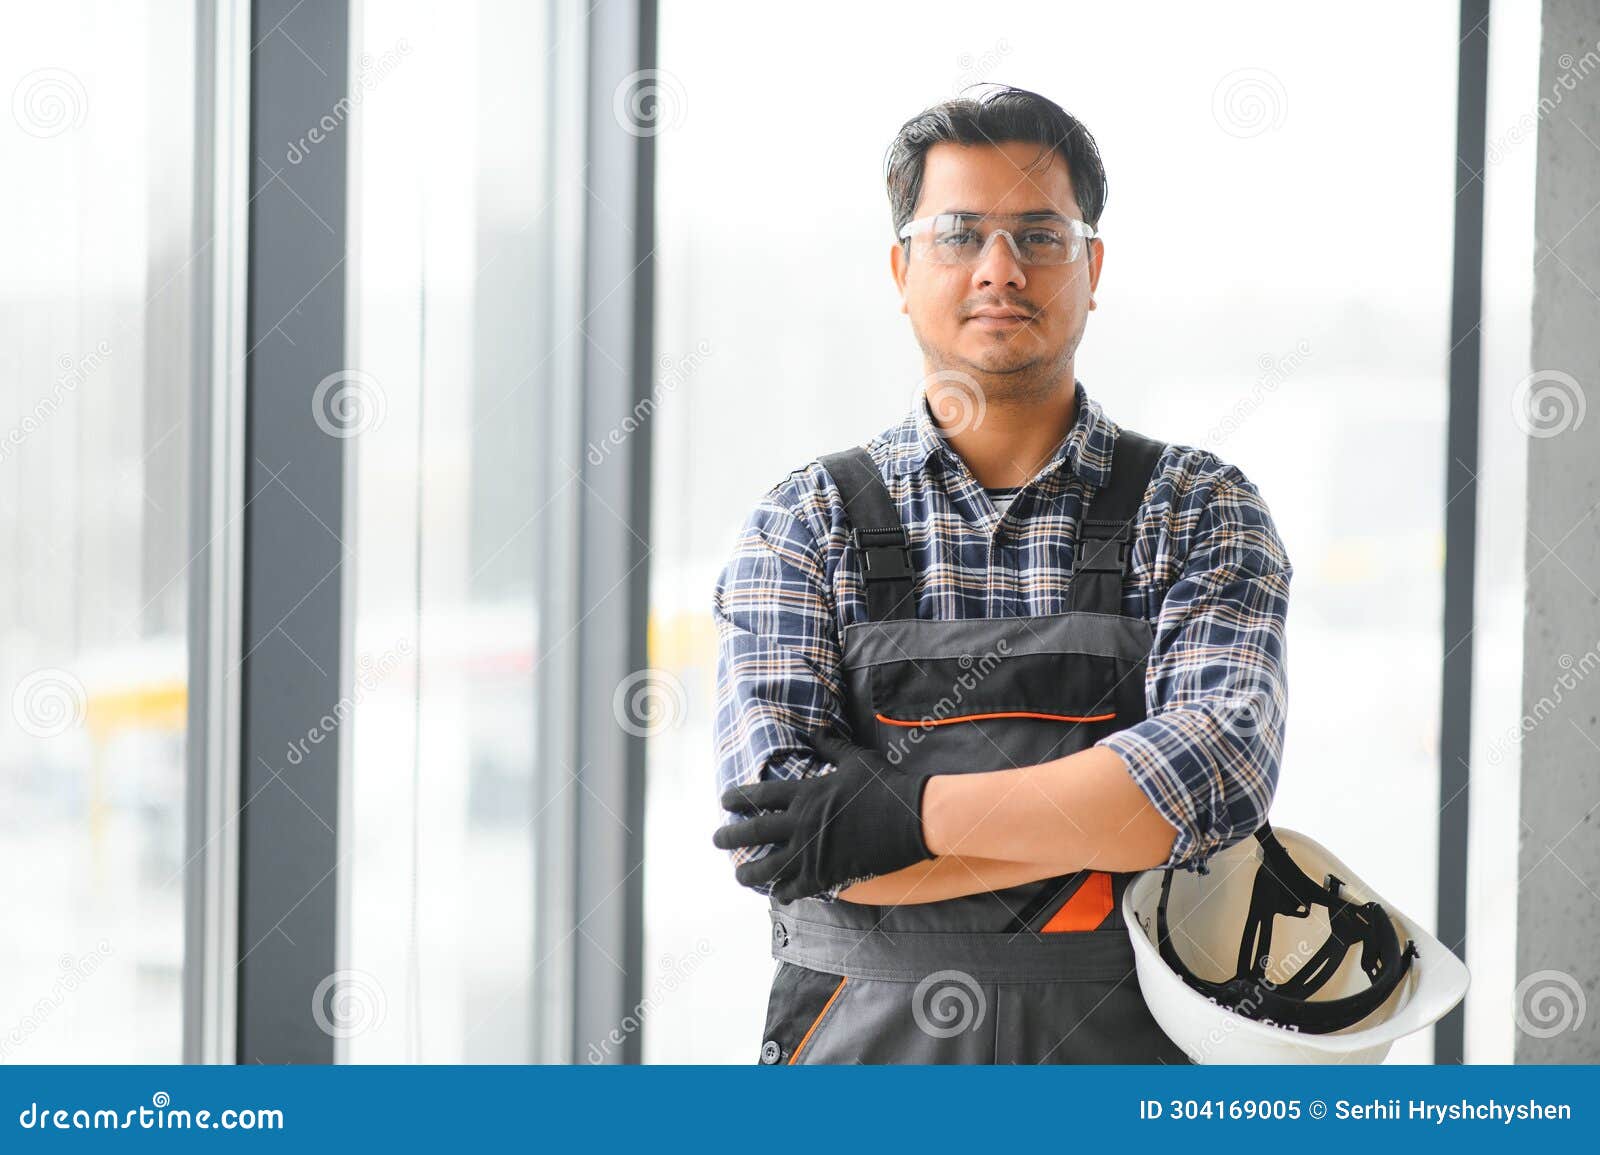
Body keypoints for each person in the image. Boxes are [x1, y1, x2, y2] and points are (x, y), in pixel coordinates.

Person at [710, 85, 1292, 1064]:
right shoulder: (805, 524)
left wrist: (905, 813)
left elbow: (1215, 778)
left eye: (1039, 236)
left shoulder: (1197, 510)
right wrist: (1110, 824)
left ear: (1091, 268)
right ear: (901, 271)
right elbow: (786, 836)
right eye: (958, 234)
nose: (1000, 268)